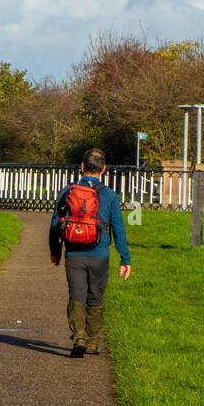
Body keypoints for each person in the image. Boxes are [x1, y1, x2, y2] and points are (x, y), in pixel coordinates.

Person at [48, 149, 131, 357]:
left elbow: (55, 223)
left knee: (77, 295)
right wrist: (125, 258)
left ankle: (79, 337)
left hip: (74, 253)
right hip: (100, 254)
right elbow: (118, 228)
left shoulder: (68, 191)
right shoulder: (109, 195)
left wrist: (55, 251)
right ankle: (93, 341)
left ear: (82, 167)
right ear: (104, 169)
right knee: (95, 297)